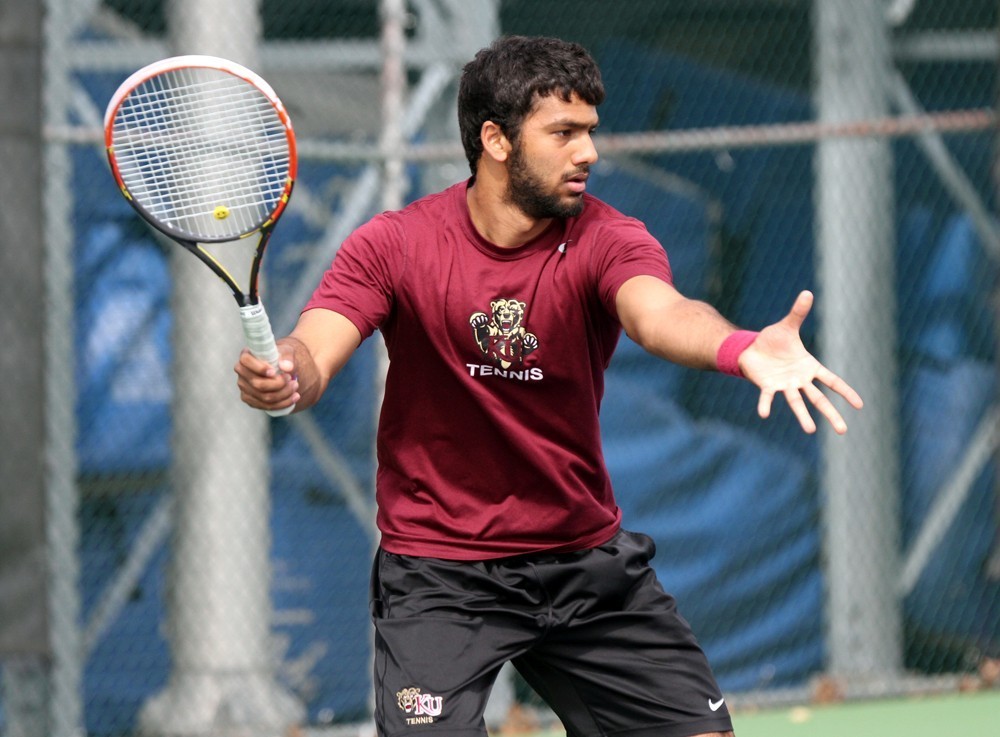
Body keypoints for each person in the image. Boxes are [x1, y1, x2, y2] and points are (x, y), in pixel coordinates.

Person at [235, 35, 863, 737]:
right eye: (563, 133)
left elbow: (661, 314)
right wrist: (286, 370)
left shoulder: (609, 239)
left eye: (589, 130)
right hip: (440, 573)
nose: (588, 152)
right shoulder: (394, 244)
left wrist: (741, 346)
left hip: (581, 560)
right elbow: (314, 351)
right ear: (496, 140)